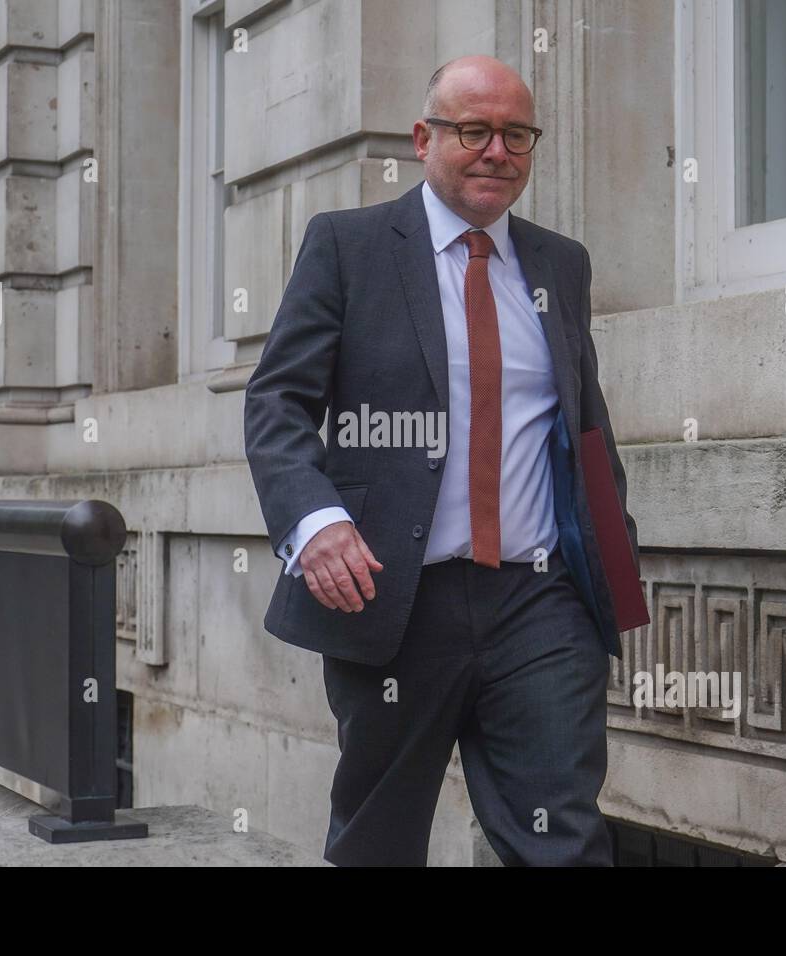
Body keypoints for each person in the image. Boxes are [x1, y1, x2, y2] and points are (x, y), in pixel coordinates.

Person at [243, 54, 639, 866]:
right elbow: (277, 403)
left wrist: (613, 582)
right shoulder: (348, 247)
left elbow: (583, 428)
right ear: (424, 138)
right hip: (395, 599)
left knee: (562, 835)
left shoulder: (559, 264)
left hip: (540, 602)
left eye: (517, 134)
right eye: (473, 130)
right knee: (379, 840)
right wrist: (314, 522)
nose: (498, 150)